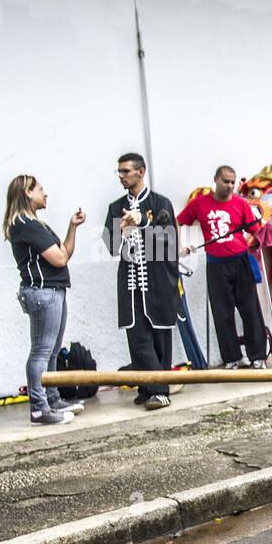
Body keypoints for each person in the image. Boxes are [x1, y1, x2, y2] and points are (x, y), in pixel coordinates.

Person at [3, 174, 87, 425]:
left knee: (49, 351)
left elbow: (64, 253)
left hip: (53, 290)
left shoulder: (37, 224)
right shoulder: (24, 225)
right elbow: (59, 259)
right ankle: (40, 407)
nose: (45, 193)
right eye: (40, 189)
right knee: (41, 352)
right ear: (27, 193)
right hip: (42, 292)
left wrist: (72, 227)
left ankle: (52, 397)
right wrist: (62, 252)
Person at [102, 153, 180, 410]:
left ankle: (154, 389)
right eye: (120, 172)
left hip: (158, 281)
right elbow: (111, 247)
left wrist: (143, 222)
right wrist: (121, 232)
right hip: (131, 282)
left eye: (126, 171)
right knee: (137, 337)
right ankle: (153, 388)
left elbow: (168, 242)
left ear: (140, 172)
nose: (122, 176)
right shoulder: (115, 207)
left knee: (160, 337)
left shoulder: (160, 203)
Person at [176, 165, 268, 369]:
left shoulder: (241, 204)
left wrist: (259, 222)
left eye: (232, 182)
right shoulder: (200, 204)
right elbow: (179, 221)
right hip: (216, 265)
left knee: (250, 310)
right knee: (222, 313)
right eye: (225, 181)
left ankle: (257, 356)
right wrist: (179, 247)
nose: (229, 185)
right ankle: (232, 358)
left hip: (240, 261)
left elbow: (254, 230)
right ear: (215, 180)